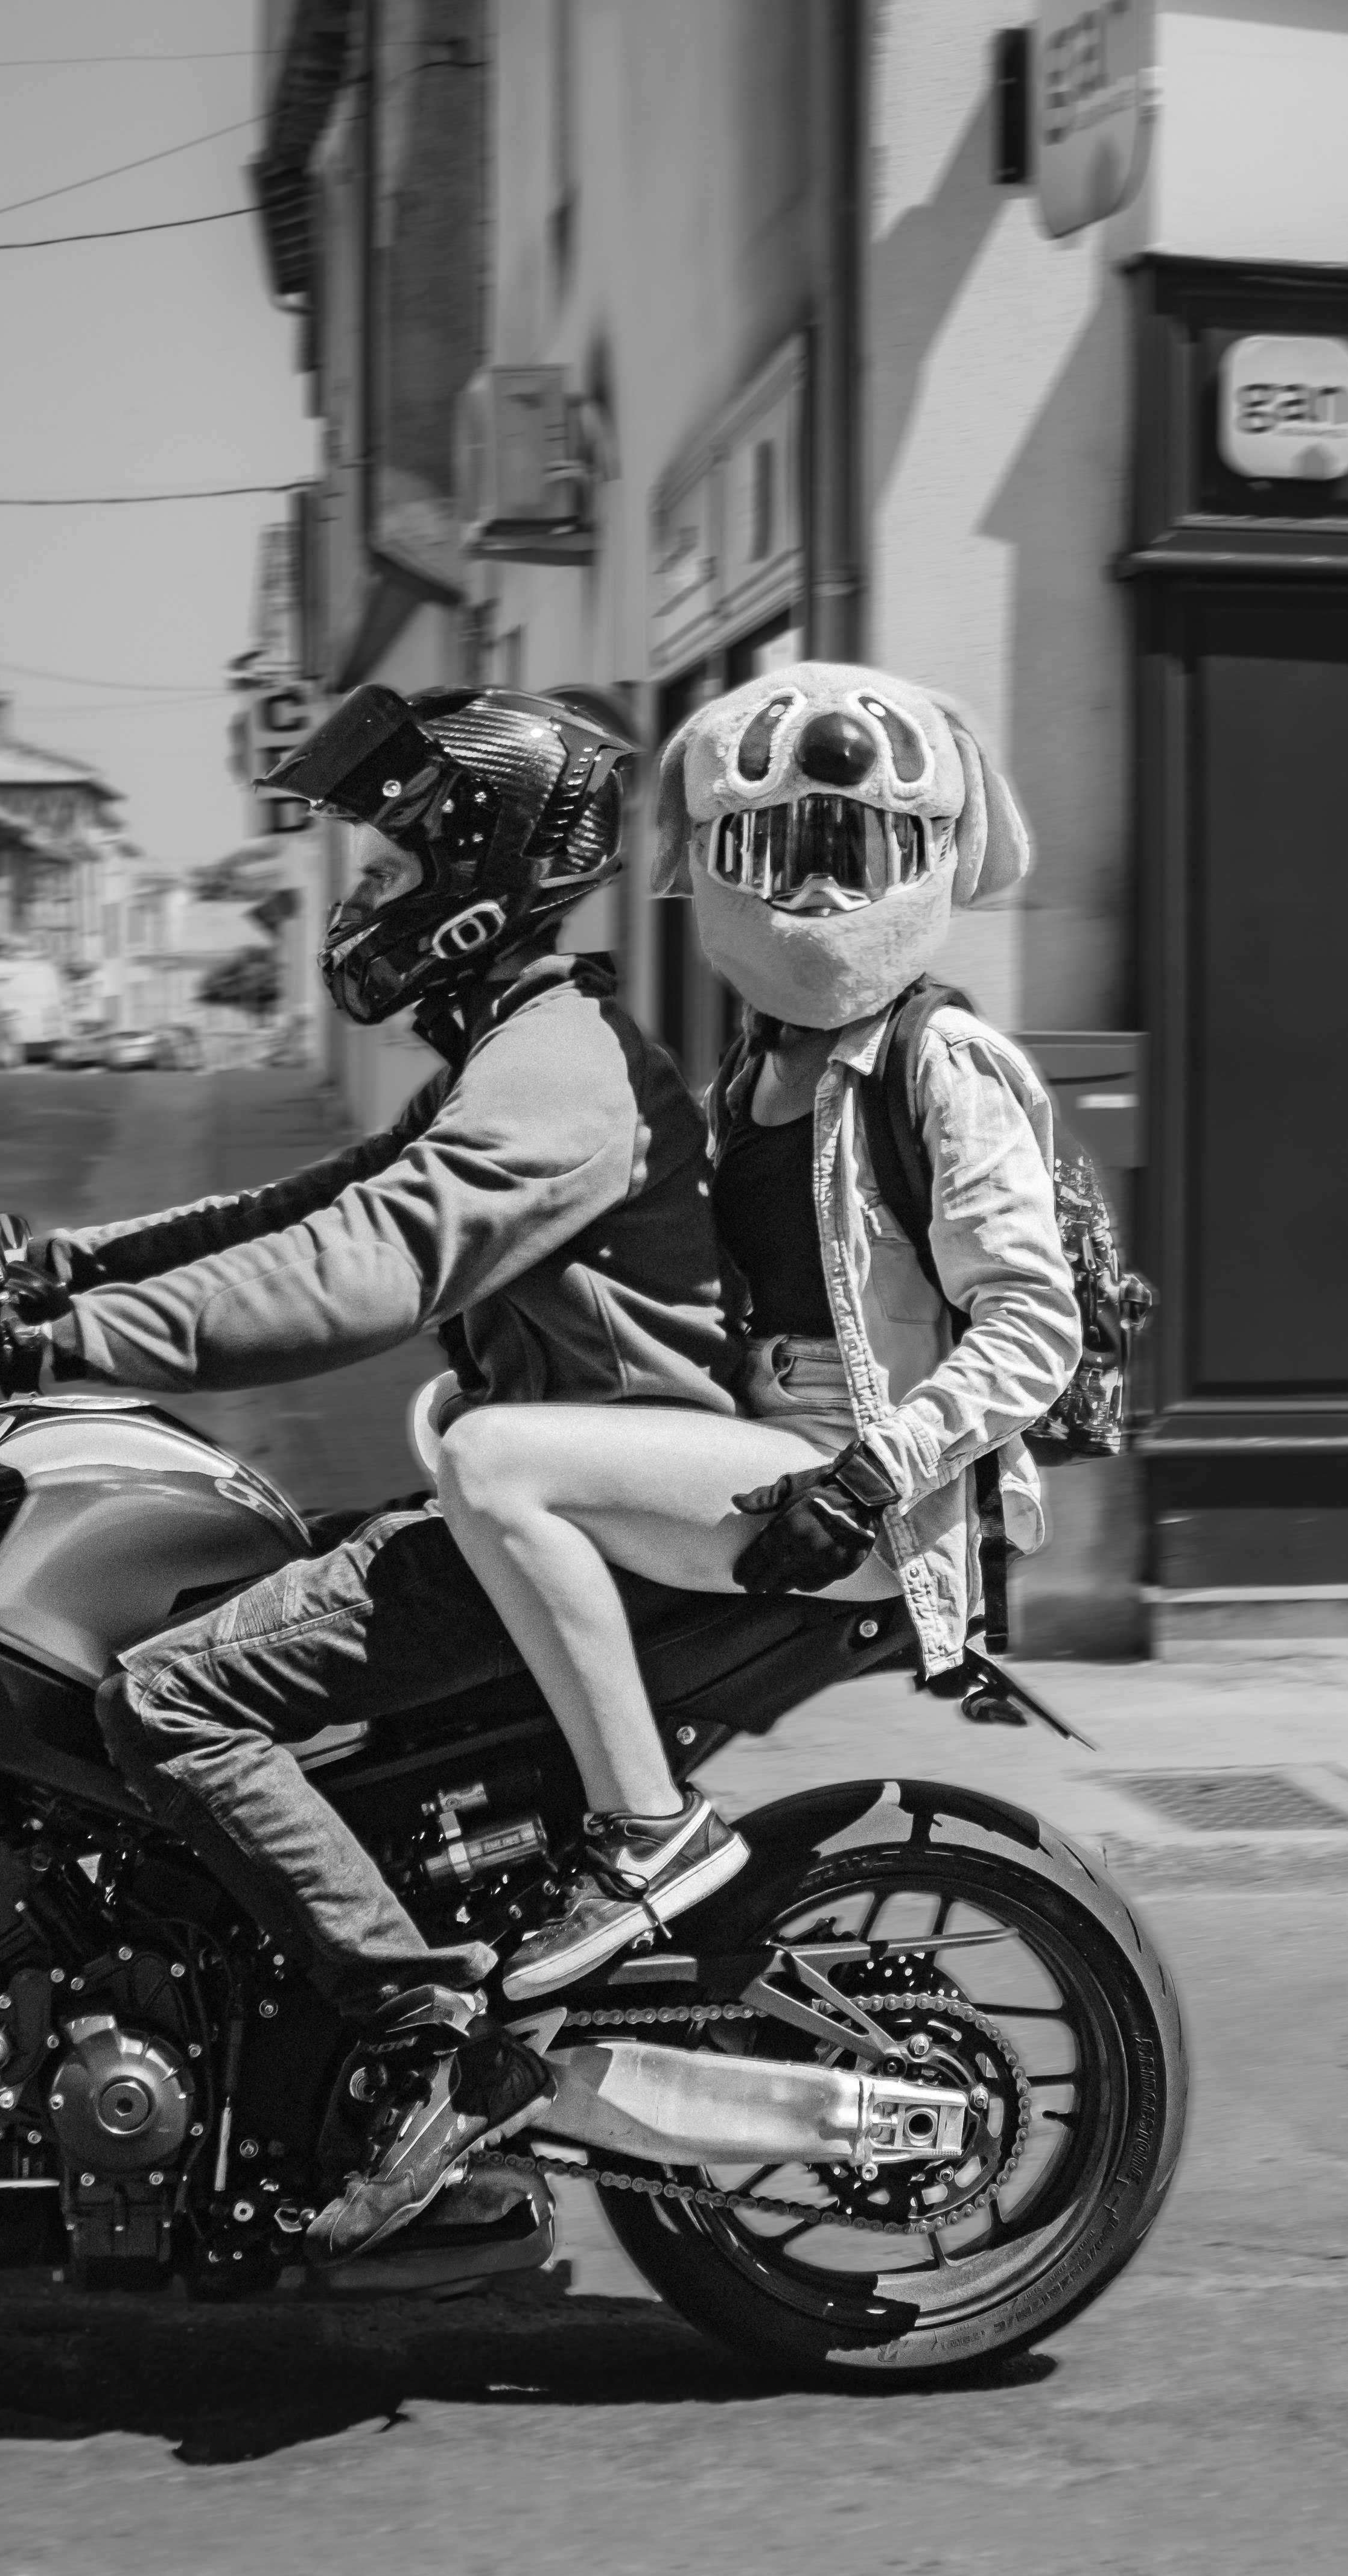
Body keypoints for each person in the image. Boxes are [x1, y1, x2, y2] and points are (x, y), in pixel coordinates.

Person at [0, 680, 753, 2260]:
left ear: (483, 872)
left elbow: (357, 1264)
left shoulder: (552, 1069)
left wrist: (54, 1341)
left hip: (589, 1526)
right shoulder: (520, 1047)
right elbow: (296, 1203)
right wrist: (22, 1277)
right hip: (543, 1504)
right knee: (216, 1594)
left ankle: (430, 2055)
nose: (371, 893)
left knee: (171, 1692)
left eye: (402, 862)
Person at [433, 662, 1085, 2001]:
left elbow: (1030, 1327)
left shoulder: (935, 1062)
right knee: (456, 1452)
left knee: (498, 1464)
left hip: (850, 1479)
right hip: (759, 1436)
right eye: (776, 848)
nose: (817, 889)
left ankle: (645, 1834)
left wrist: (866, 1478)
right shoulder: (756, 1065)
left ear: (926, 858)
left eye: (853, 851)